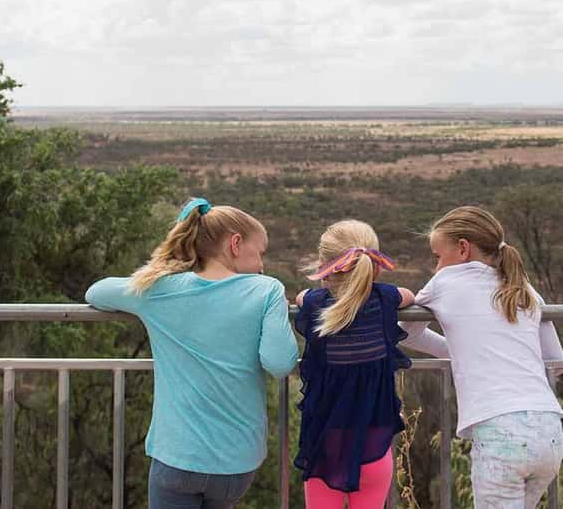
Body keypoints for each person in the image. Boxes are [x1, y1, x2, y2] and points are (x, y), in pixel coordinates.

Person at [85, 197, 298, 509]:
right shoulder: (265, 290)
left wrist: (161, 273)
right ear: (235, 244)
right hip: (236, 464)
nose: (262, 265)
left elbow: (96, 292)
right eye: (260, 252)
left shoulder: (159, 290)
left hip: (177, 458)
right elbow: (279, 364)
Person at [401, 205, 563, 508]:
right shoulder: (524, 288)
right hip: (549, 430)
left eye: (438, 257)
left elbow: (406, 332)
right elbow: (555, 358)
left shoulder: (443, 284)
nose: (436, 268)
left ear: (463, 249)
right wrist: (471, 351)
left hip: (500, 432)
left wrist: (459, 351)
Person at [293, 219, 414, 508]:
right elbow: (409, 296)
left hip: (326, 447)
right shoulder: (385, 300)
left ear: (326, 266)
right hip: (375, 445)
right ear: (376, 264)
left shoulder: (314, 304)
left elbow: (300, 296)